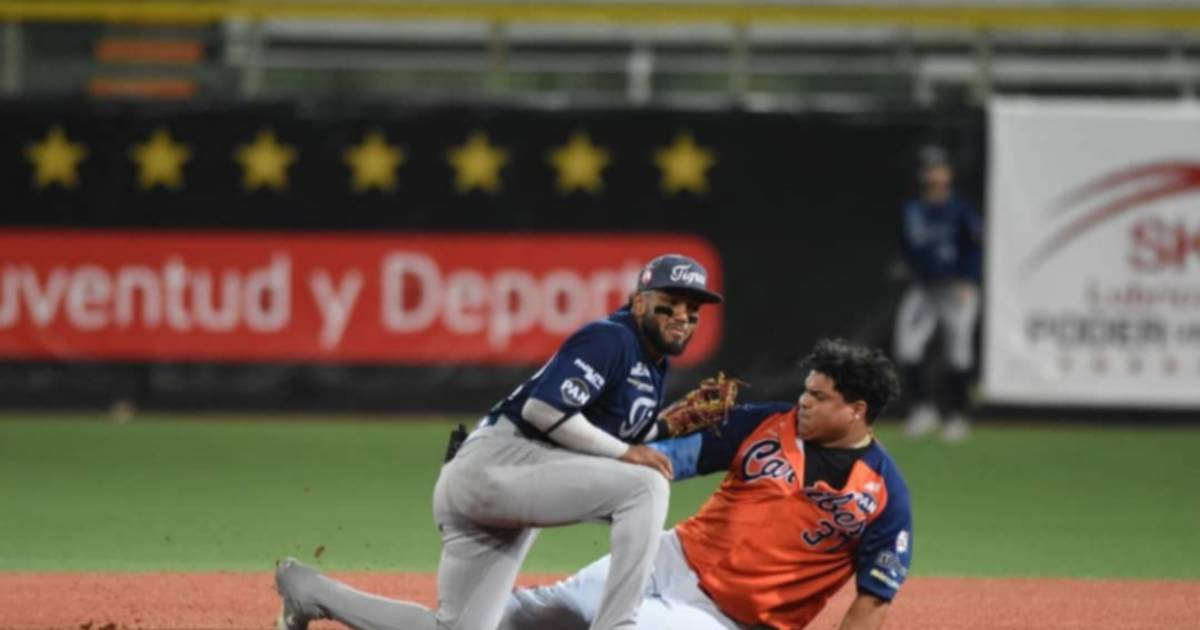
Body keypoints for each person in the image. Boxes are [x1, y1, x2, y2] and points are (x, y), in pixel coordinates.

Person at [273, 253, 724, 630]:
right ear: (639, 302)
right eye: (669, 303)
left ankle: (308, 589)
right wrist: (629, 455)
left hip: (507, 485)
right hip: (501, 464)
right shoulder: (611, 338)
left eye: (692, 309)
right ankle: (617, 626)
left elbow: (609, 434)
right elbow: (543, 411)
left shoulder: (652, 363)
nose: (682, 316)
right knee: (646, 485)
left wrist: (667, 427)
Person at [499, 338, 911, 630]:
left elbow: (874, 597)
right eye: (806, 391)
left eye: (820, 397)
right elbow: (666, 460)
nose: (804, 401)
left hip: (730, 619)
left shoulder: (885, 496)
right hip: (668, 559)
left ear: (856, 411)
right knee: (549, 610)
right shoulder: (766, 424)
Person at [893, 144, 983, 443]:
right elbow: (907, 249)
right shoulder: (913, 211)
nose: (935, 175)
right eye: (930, 169)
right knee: (908, 347)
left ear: (949, 173)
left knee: (959, 352)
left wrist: (967, 279)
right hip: (925, 289)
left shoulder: (960, 210)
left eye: (940, 168)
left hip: (956, 288)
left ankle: (957, 416)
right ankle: (923, 410)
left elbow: (974, 248)